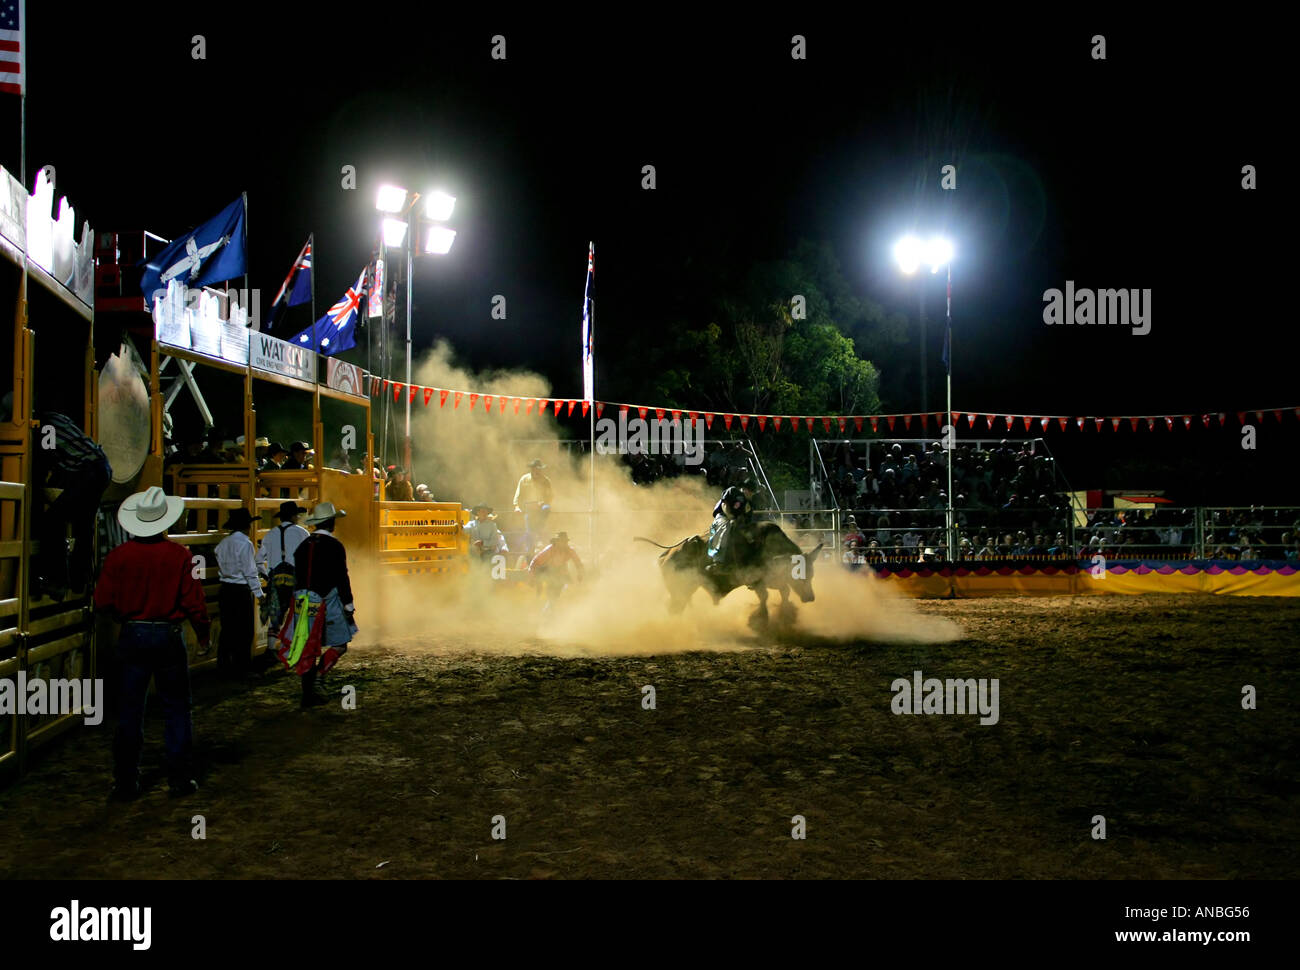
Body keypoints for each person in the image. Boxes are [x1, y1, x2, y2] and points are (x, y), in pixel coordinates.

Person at [94, 487, 210, 800]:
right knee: (176, 709)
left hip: (133, 635)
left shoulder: (119, 557)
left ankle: (126, 781)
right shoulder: (180, 555)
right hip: (168, 636)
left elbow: (102, 601)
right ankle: (180, 778)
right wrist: (203, 634)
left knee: (130, 710)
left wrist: (124, 617)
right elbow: (194, 603)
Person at [24, 402, 114, 601]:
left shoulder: (46, 425)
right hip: (98, 467)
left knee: (53, 520)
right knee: (83, 526)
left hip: (89, 471)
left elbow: (49, 455)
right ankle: (78, 579)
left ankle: (57, 580)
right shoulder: (57, 418)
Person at [291, 502, 357, 709]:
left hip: (302, 600)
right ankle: (319, 678)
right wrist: (348, 603)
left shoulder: (303, 546)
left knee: (307, 646)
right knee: (340, 642)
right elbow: (341, 577)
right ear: (331, 523)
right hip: (326, 599)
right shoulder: (335, 546)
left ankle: (307, 692)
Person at [213, 507, 264, 679]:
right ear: (247, 526)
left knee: (227, 629)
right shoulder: (245, 544)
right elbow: (250, 571)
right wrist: (259, 593)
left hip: (225, 589)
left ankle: (224, 665)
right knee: (244, 631)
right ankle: (242, 667)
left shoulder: (223, 544)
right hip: (241, 590)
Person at [257, 501, 310, 642]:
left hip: (276, 579)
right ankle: (293, 645)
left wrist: (268, 576)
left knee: (276, 613)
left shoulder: (270, 535)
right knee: (298, 612)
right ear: (295, 516)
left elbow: (258, 560)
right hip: (297, 579)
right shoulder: (303, 533)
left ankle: (271, 647)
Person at [528, 532, 583, 611]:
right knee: (551, 591)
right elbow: (534, 562)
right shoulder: (549, 550)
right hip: (545, 569)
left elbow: (578, 562)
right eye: (562, 541)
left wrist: (580, 573)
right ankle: (545, 608)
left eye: (565, 542)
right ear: (557, 542)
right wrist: (531, 577)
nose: (564, 544)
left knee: (563, 588)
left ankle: (551, 608)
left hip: (560, 571)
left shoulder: (569, 550)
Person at [706, 484, 753, 572]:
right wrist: (731, 517)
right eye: (749, 490)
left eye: (752, 492)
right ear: (744, 489)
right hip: (723, 516)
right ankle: (718, 561)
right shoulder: (733, 491)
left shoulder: (748, 503)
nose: (750, 493)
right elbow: (724, 505)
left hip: (736, 521)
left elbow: (747, 518)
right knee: (726, 527)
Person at [513, 459, 553, 556]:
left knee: (546, 508)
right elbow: (518, 494)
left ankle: (538, 531)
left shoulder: (546, 480)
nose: (537, 470)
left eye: (539, 469)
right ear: (531, 469)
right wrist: (517, 506)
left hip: (541, 506)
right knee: (529, 532)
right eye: (535, 468)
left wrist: (542, 502)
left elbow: (550, 496)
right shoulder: (524, 479)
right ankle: (529, 553)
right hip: (529, 507)